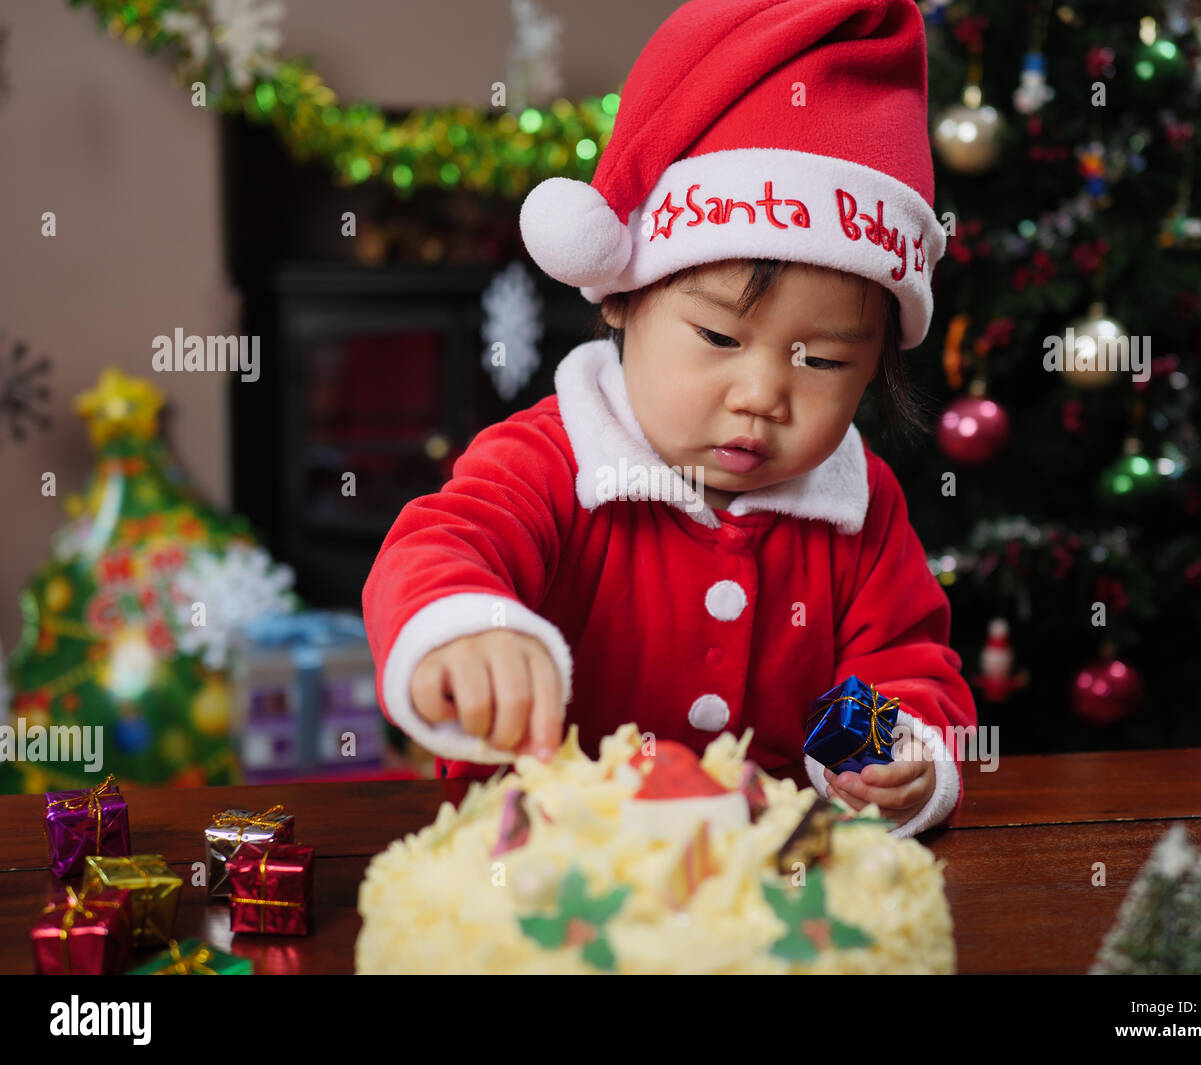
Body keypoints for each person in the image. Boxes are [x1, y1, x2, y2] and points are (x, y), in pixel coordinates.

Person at [362, 0, 977, 837]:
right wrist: (467, 627)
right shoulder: (548, 462)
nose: (762, 393)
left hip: (770, 890)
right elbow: (441, 547)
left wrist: (899, 755)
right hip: (545, 868)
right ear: (620, 301)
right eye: (719, 336)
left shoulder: (858, 505)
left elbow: (902, 660)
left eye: (824, 360)